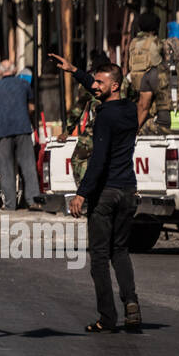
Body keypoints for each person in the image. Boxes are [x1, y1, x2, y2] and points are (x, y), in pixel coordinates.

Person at [62, 60, 141, 333]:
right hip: (128, 191)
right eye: (93, 82)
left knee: (98, 258)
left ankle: (107, 318)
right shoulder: (130, 109)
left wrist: (81, 194)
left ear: (115, 86)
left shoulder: (105, 116)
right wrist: (76, 72)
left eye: (99, 83)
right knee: (120, 252)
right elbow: (101, 86)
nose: (94, 86)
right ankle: (131, 304)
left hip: (106, 194)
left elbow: (98, 160)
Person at [0, 59, 40, 211]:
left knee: (6, 168)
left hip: (2, 132)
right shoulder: (24, 85)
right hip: (22, 128)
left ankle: (10, 204)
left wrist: (2, 115)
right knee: (28, 166)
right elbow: (31, 107)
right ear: (15, 70)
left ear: (0, 72)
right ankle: (33, 201)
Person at [48, 53, 102, 185]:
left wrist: (67, 131)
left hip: (98, 127)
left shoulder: (93, 85)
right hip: (120, 127)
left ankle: (85, 195)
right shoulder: (120, 81)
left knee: (78, 159)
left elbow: (78, 109)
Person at [122, 11, 162, 99]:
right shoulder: (155, 43)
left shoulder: (133, 43)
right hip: (152, 90)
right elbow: (159, 64)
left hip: (136, 88)